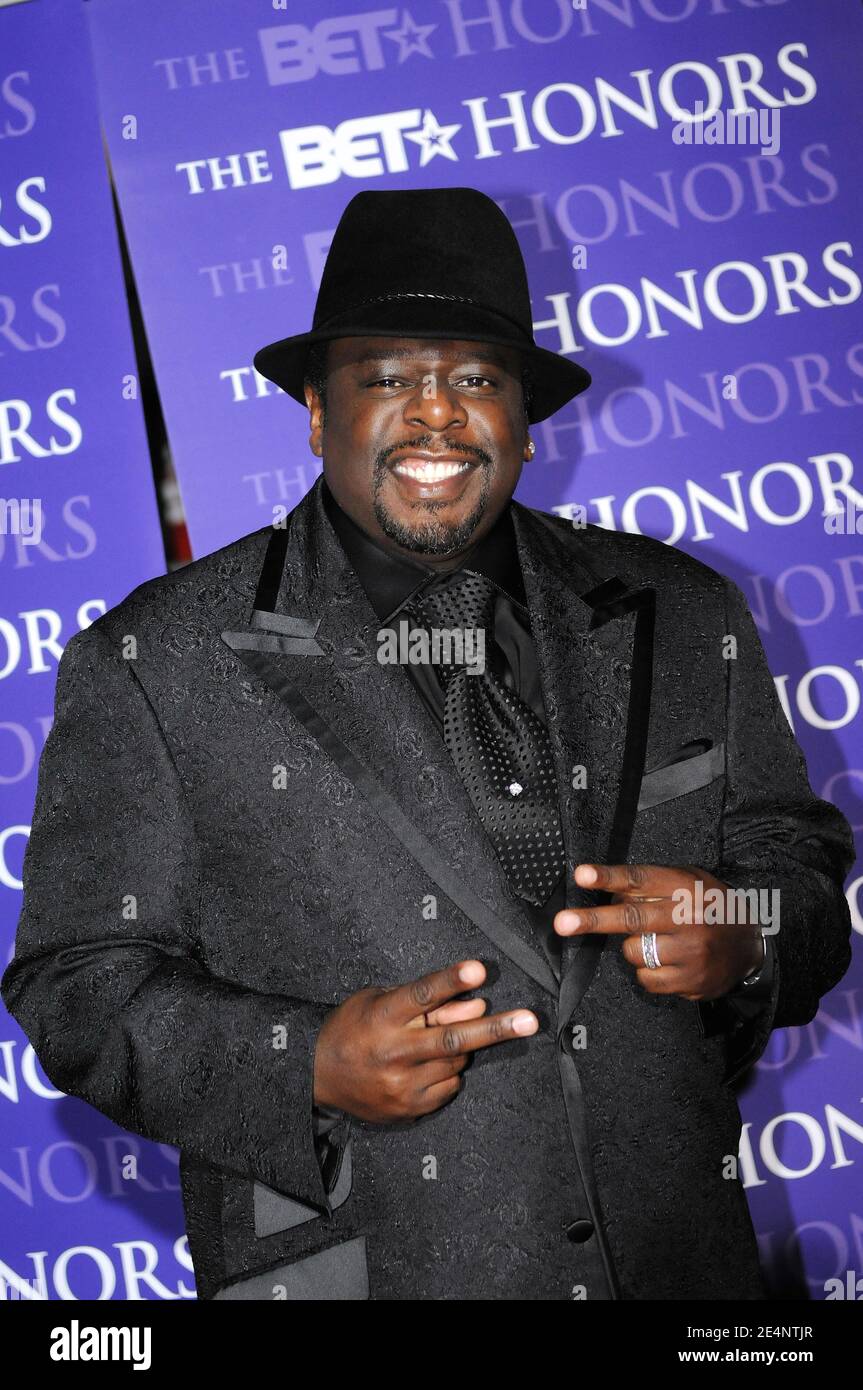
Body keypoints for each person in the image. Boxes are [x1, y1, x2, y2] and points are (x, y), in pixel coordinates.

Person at [1, 187, 854, 1302]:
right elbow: (76, 983)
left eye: (475, 378)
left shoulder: (680, 609)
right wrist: (303, 1060)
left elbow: (793, 869)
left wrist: (738, 935)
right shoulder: (157, 660)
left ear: (524, 416)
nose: (437, 415)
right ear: (316, 412)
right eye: (389, 377)